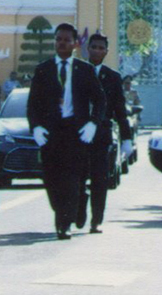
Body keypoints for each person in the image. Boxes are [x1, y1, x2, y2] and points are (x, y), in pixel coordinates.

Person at [27, 23, 106, 239]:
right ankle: (75, 206)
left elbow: (100, 100)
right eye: (58, 39)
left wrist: (92, 123)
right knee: (52, 180)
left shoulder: (85, 70)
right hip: (51, 132)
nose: (61, 43)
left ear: (75, 43)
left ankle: (64, 223)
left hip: (75, 131)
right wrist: (36, 127)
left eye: (66, 40)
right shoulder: (43, 70)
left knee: (71, 178)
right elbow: (33, 103)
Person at [77, 33, 132, 234]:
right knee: (78, 177)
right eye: (94, 47)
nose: (97, 51)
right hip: (79, 134)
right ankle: (80, 210)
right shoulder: (77, 72)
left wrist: (127, 138)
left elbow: (120, 110)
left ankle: (96, 220)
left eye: (101, 48)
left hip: (101, 135)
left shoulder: (113, 77)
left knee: (100, 179)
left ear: (106, 52)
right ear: (87, 49)